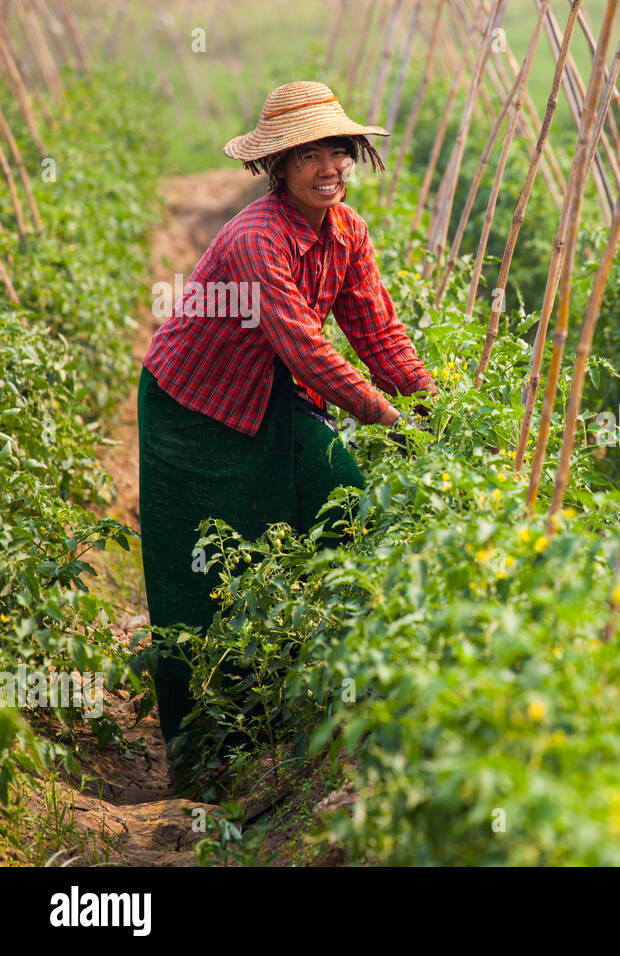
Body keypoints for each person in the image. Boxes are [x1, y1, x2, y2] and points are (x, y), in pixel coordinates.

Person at [137, 81, 435, 776]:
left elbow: (378, 332)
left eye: (338, 149)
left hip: (274, 397)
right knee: (197, 572)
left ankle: (306, 699)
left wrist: (429, 409)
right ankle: (206, 753)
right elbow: (305, 346)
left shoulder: (347, 232)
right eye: (310, 155)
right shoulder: (254, 238)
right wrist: (384, 416)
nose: (329, 166)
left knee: (346, 500)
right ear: (278, 167)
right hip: (194, 408)